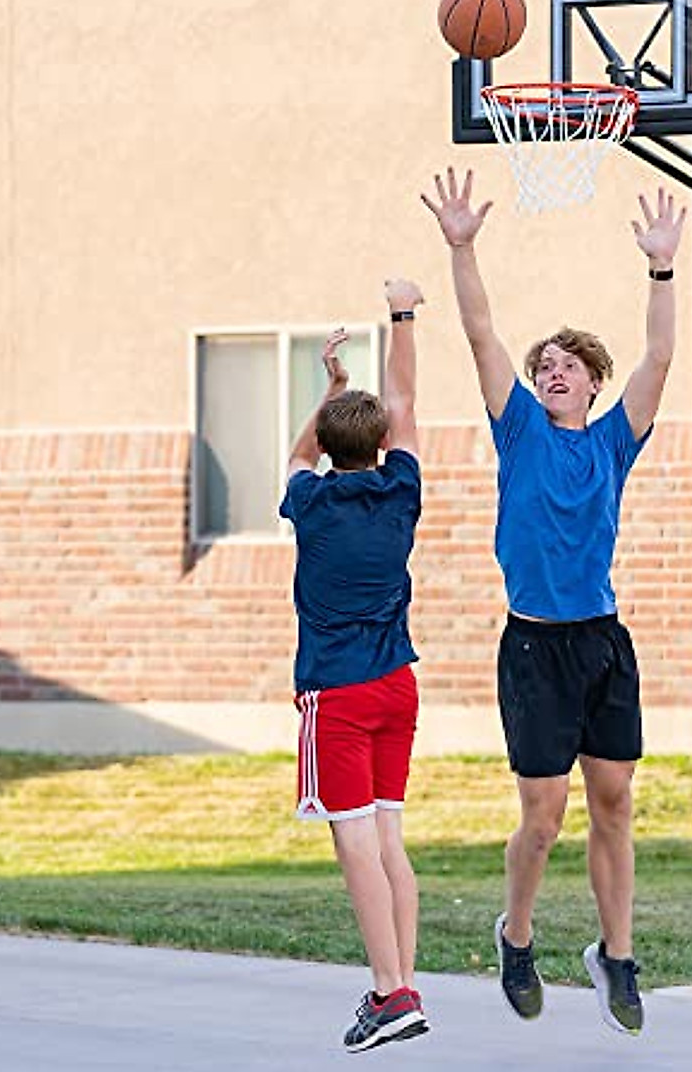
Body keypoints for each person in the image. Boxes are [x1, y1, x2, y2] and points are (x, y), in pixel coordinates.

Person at [420, 167, 685, 1037]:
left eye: (566, 365)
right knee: (544, 817)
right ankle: (519, 935)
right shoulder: (520, 429)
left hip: (602, 643)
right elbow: (481, 330)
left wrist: (661, 269)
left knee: (614, 800)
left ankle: (615, 956)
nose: (550, 371)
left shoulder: (613, 441)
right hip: (534, 648)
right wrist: (463, 247)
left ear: (592, 383)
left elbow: (659, 359)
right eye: (544, 366)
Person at [279, 278, 428, 1054]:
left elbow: (300, 453)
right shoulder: (401, 491)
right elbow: (402, 398)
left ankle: (389, 989)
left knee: (355, 844)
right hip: (397, 687)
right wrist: (402, 316)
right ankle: (401, 985)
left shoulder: (310, 500)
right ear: (379, 445)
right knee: (390, 838)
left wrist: (330, 386)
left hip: (335, 696)